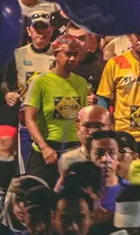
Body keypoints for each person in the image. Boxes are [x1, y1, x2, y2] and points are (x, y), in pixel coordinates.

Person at [22, 36, 90, 188]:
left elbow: (82, 119)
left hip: (73, 150)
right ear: (55, 55)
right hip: (46, 149)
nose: (72, 59)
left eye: (76, 54)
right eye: (68, 54)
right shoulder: (40, 82)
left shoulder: (81, 83)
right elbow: (29, 119)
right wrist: (44, 147)